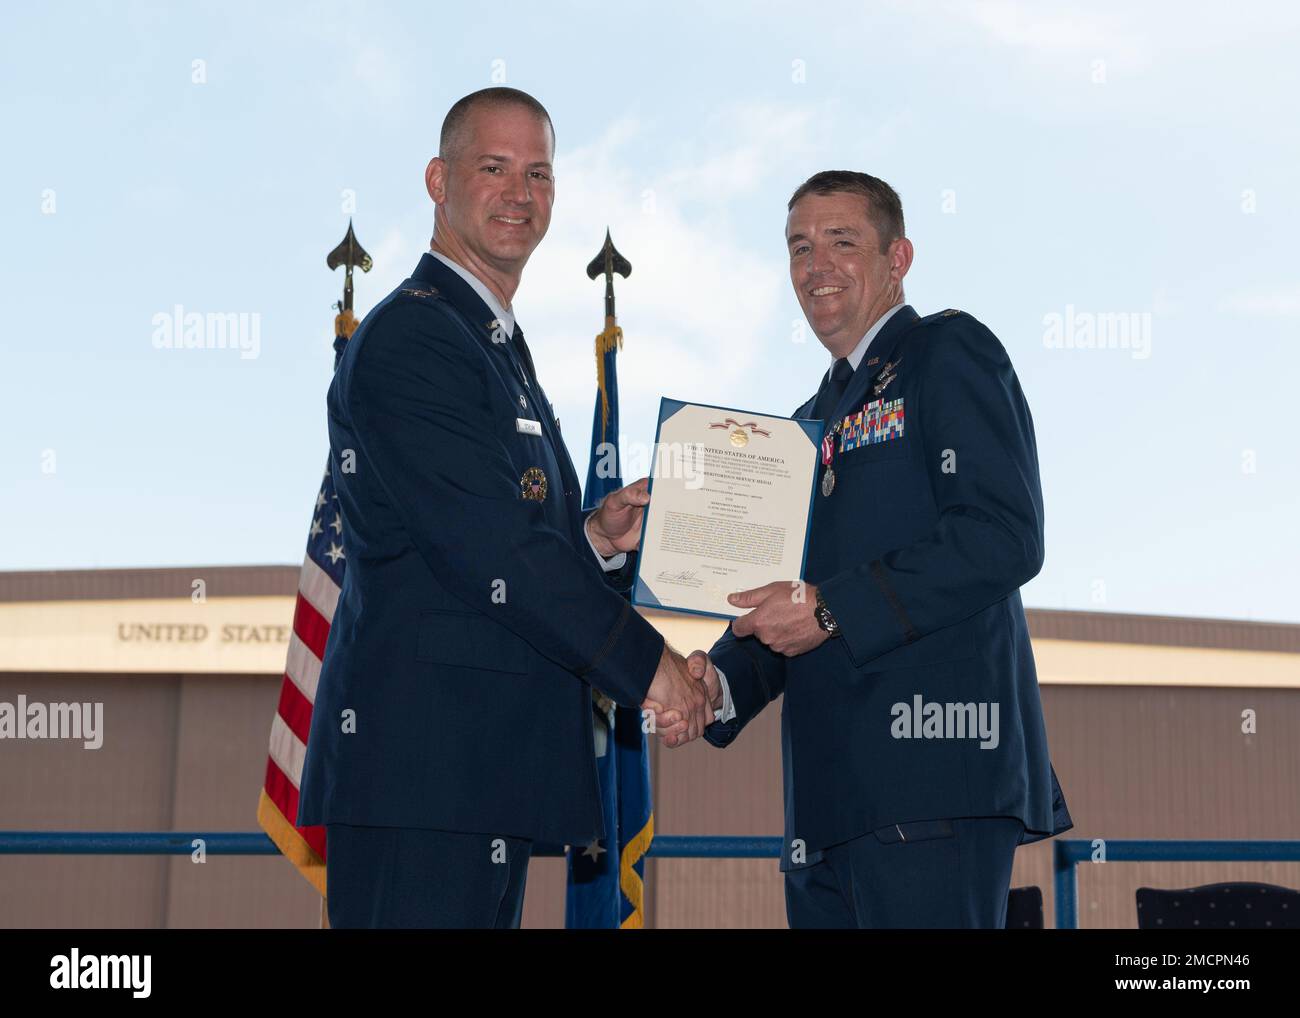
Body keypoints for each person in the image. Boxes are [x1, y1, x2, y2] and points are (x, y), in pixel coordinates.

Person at [298, 87, 710, 929]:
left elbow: (503, 537)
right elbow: (494, 553)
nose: (520, 193)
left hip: (475, 780)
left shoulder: (489, 345)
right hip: (425, 782)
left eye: (538, 173)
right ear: (437, 180)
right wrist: (652, 667)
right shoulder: (415, 338)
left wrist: (593, 539)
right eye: (493, 168)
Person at [655, 170, 1072, 928]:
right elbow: (784, 606)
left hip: (932, 779)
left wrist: (832, 610)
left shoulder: (948, 351)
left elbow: (1003, 534)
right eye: (799, 248)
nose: (817, 266)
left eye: (842, 242)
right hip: (825, 805)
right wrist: (713, 684)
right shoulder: (801, 426)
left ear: (898, 257)